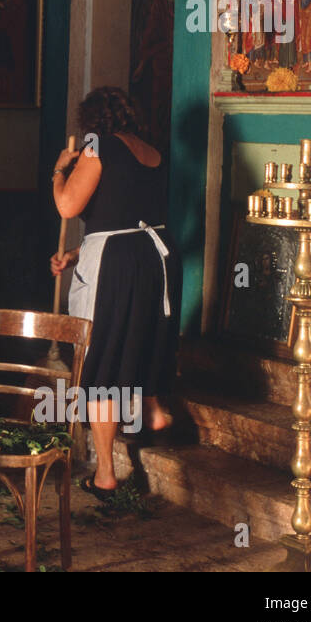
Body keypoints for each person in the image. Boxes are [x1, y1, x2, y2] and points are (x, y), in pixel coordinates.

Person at [48, 87, 181, 497]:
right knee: (136, 341)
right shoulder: (152, 151)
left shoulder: (97, 147)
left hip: (117, 263)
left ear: (92, 121)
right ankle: (154, 409)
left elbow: (68, 207)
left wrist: (59, 170)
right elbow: (124, 216)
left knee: (102, 358)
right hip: (154, 258)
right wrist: (75, 252)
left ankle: (105, 473)